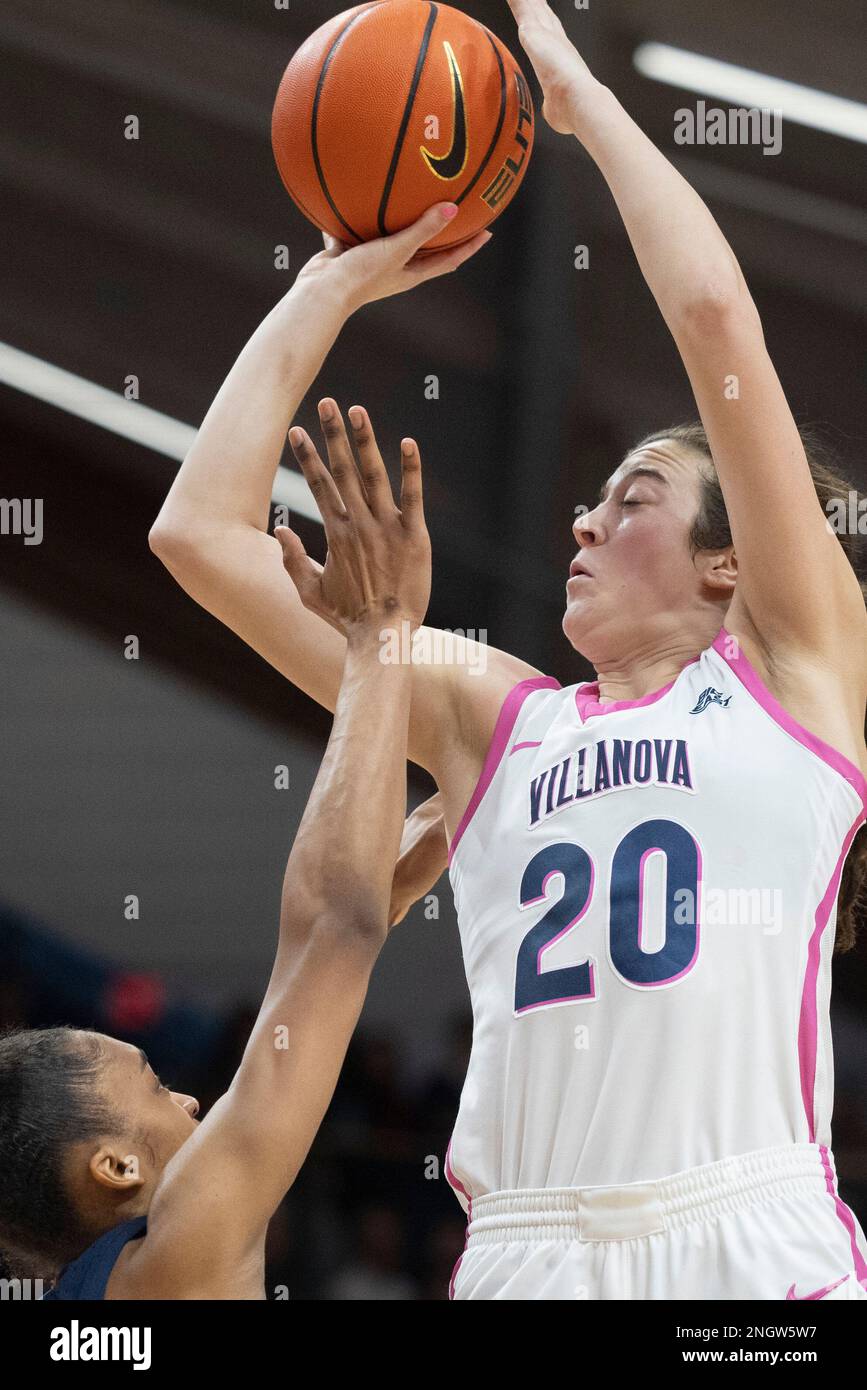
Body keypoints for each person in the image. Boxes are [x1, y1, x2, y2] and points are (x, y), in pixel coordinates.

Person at [149, 1, 867, 1299]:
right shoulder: (498, 716)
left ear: (731, 562)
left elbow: (712, 320)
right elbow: (199, 532)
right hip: (519, 1252)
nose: (583, 520)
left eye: (633, 497)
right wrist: (334, 278)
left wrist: (581, 106)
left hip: (741, 1235)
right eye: (590, 501)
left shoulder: (795, 674)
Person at [0, 416, 435, 1298]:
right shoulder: (178, 1256)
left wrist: (371, 909)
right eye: (156, 1086)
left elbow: (336, 935)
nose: (193, 1100)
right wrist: (380, 628)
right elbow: (330, 929)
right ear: (115, 1168)